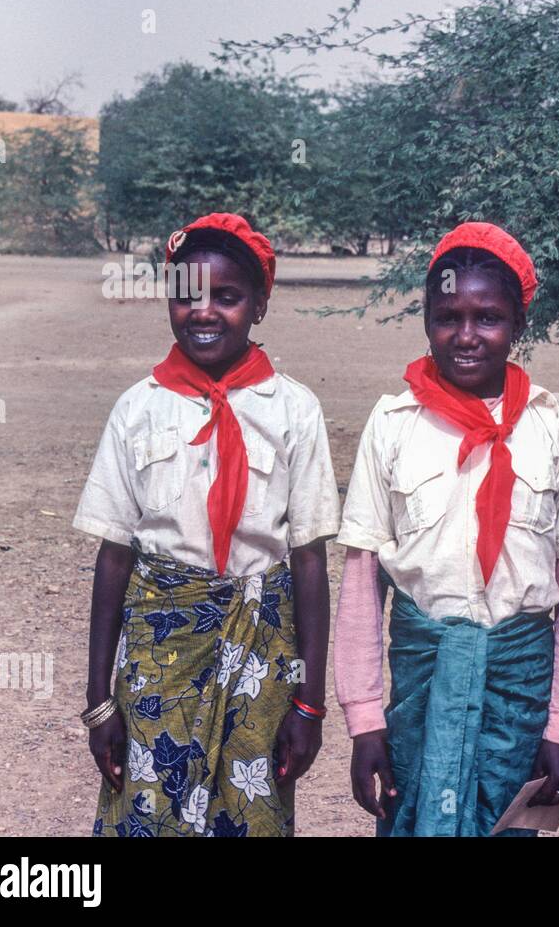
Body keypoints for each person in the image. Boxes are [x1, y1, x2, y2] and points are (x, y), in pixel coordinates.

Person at [334, 222, 559, 836]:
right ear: (426, 320)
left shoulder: (556, 428)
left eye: (488, 318)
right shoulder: (393, 423)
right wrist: (364, 720)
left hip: (520, 691)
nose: (465, 336)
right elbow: (360, 580)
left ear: (518, 324)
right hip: (420, 689)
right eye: (447, 316)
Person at [75, 212, 341, 837]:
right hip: (157, 654)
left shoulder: (296, 410)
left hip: (261, 655)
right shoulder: (137, 408)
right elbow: (114, 558)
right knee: (149, 810)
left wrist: (308, 702)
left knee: (251, 813)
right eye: (187, 296)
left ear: (259, 306)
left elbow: (308, 562)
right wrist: (98, 703)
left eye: (227, 297)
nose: (204, 312)